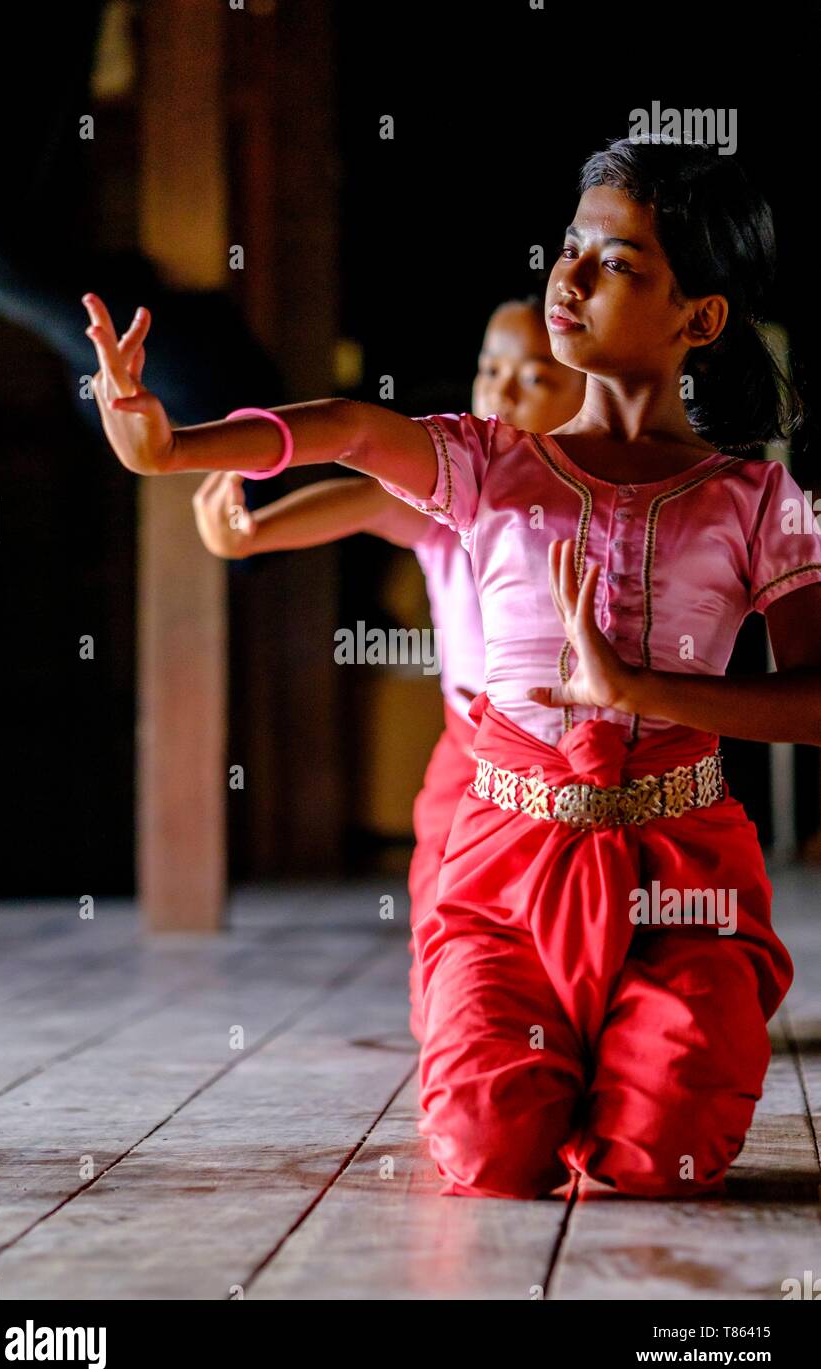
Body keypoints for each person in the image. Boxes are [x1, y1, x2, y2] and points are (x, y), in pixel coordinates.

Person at [83, 136, 821, 1200]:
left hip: (680, 887)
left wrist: (641, 694)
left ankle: (628, 1058)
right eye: (568, 248)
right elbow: (346, 431)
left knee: (665, 1159)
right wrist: (172, 444)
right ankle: (539, 1060)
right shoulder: (485, 462)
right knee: (486, 1156)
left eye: (614, 263)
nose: (564, 277)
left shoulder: (760, 504)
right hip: (502, 873)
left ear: (698, 319)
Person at [190, 295, 584, 1042]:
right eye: (490, 369)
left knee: (557, 906)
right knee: (443, 884)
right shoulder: (447, 508)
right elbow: (362, 502)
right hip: (468, 747)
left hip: (564, 756)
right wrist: (255, 535)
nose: (500, 391)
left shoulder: (594, 512)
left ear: (586, 400)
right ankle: (457, 1017)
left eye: (534, 377)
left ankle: (558, 1016)